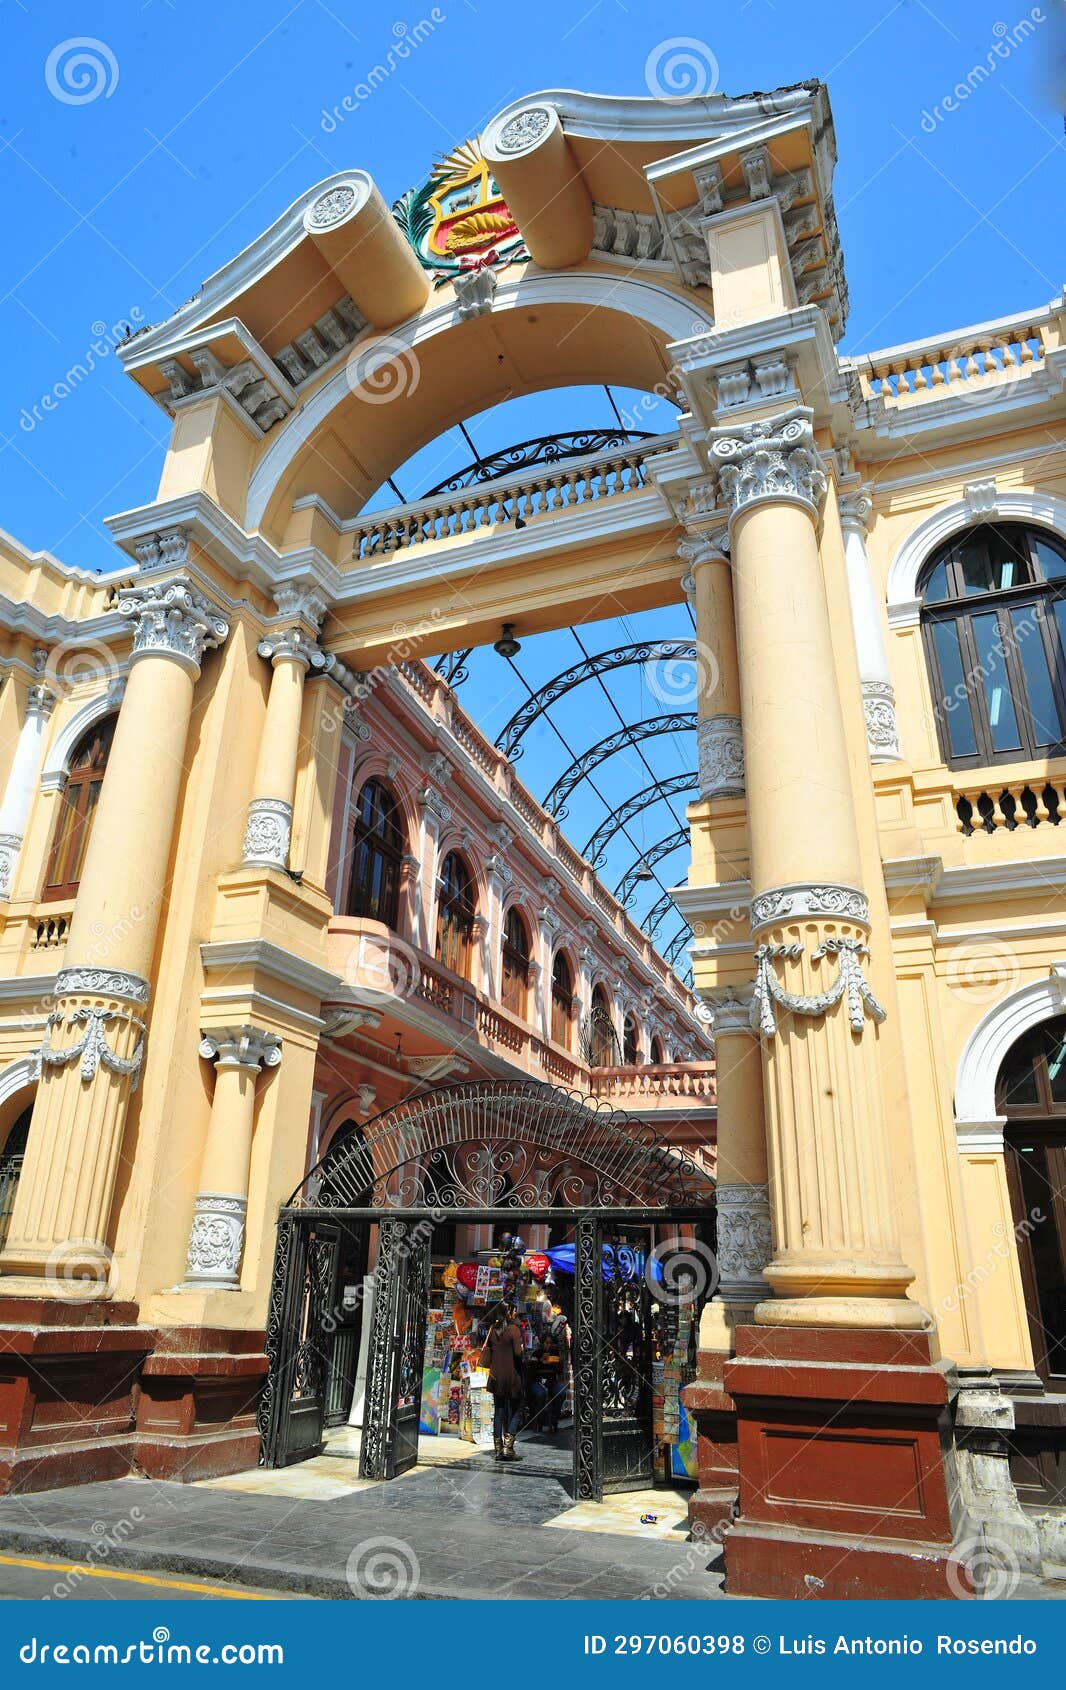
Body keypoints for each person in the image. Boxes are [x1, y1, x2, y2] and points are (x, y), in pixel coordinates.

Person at [482, 1302, 524, 1461]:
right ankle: (508, 1447)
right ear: (508, 1313)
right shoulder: (513, 1330)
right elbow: (518, 1354)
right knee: (516, 1409)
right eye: (513, 1311)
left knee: (498, 1412)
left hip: (495, 1376)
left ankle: (498, 1448)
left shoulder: (493, 1330)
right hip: (511, 1376)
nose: (515, 1314)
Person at [537, 1296, 570, 1434]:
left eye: (550, 1343)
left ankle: (554, 1419)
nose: (549, 1345)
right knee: (540, 1394)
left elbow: (556, 1367)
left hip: (551, 1381)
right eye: (546, 1343)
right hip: (539, 1381)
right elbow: (535, 1369)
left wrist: (551, 1362)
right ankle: (540, 1420)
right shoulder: (538, 1353)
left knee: (561, 1394)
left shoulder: (555, 1351)